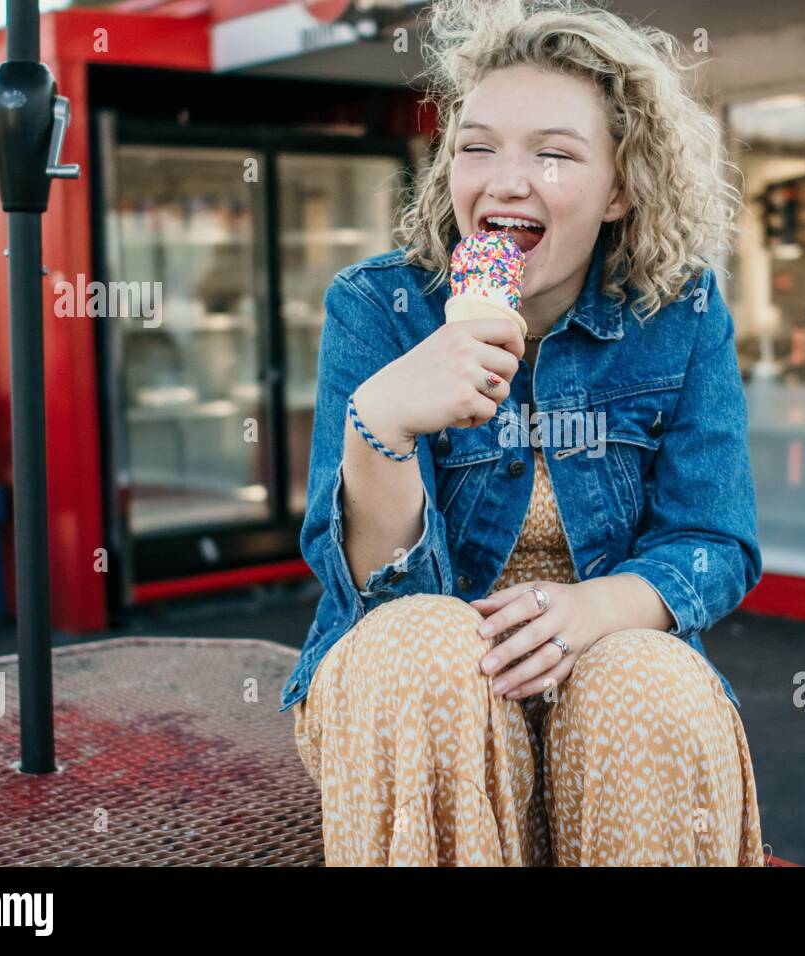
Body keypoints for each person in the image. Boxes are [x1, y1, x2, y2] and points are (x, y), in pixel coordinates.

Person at [281, 0, 766, 865]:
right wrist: (380, 424)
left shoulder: (682, 312)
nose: (506, 181)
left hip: (606, 681)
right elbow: (374, 599)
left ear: (621, 188)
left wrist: (587, 611)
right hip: (420, 689)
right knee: (425, 651)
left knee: (645, 678)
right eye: (477, 146)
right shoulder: (378, 307)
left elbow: (714, 541)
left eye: (553, 153)